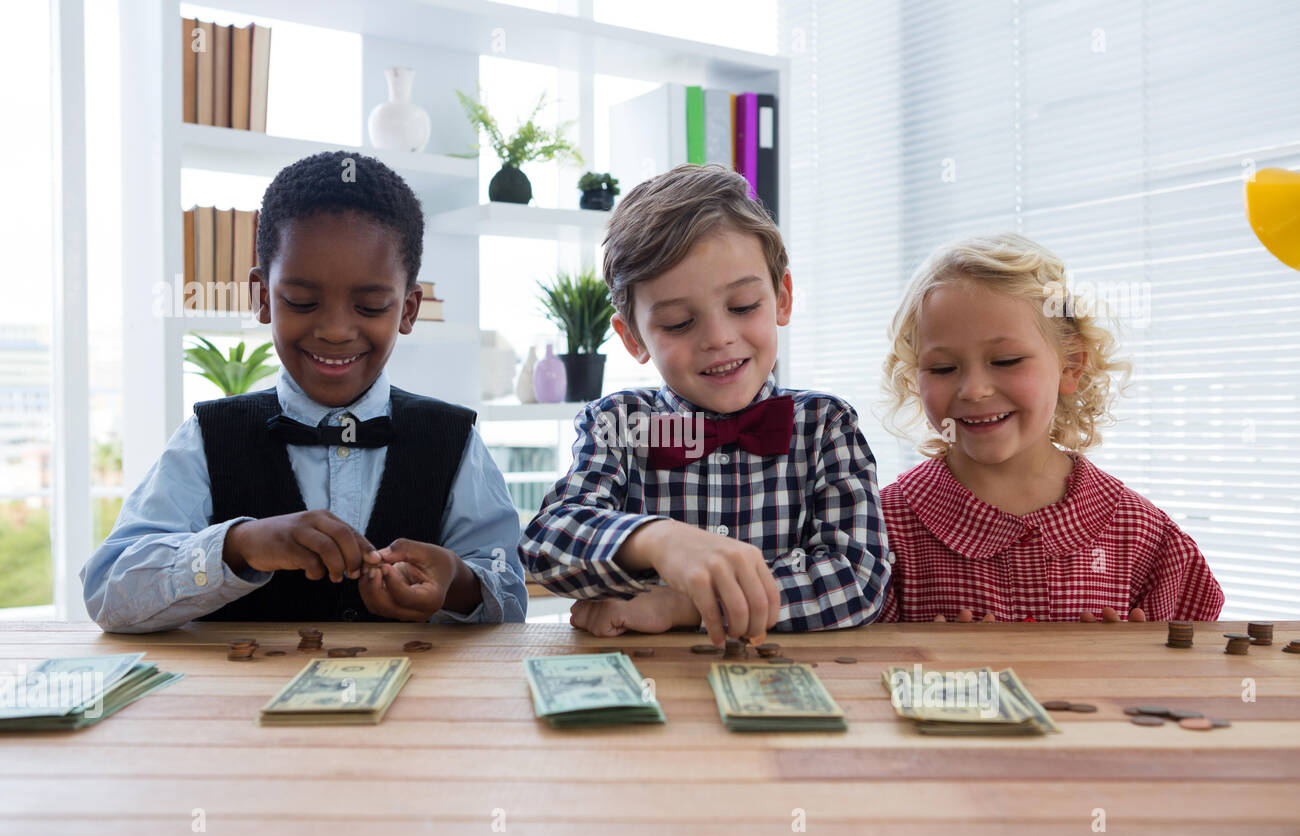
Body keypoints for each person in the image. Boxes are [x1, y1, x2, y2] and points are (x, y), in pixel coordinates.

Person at [82, 151, 526, 632]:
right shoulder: (208, 439)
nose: (335, 330)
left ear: (409, 309)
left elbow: (509, 595)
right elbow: (108, 591)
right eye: (301, 301)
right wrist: (240, 545)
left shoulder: (453, 439)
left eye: (371, 306)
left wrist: (456, 583)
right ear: (262, 298)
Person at [519, 163, 890, 642]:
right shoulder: (620, 423)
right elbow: (547, 545)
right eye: (677, 323)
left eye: (742, 307)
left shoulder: (824, 426)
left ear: (782, 297)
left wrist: (688, 604)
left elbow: (857, 580)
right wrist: (655, 540)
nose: (718, 338)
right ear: (633, 337)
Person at [877, 233, 1224, 622]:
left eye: (1006, 361)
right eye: (942, 368)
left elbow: (1192, 670)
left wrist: (1126, 665)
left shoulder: (1143, 535)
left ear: (1071, 364)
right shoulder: (877, 533)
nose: (973, 390)